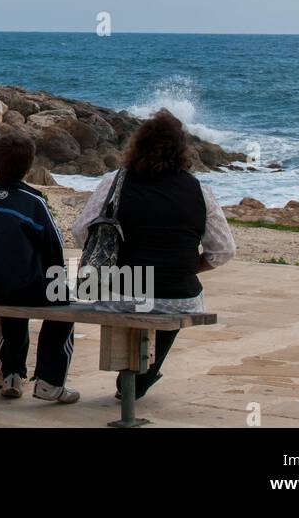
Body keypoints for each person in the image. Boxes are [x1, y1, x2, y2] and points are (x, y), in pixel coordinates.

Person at [72, 109, 236, 400]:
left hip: (121, 291)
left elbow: (81, 231)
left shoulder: (115, 183)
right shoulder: (200, 190)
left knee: (125, 297)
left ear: (137, 145)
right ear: (183, 151)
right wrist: (186, 268)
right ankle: (143, 373)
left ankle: (130, 372)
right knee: (165, 303)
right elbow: (223, 251)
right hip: (179, 296)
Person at [0, 132, 79, 403]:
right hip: (21, 287)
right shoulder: (33, 203)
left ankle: (12, 372)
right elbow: (54, 252)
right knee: (64, 305)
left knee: (10, 284)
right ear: (27, 168)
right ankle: (49, 380)